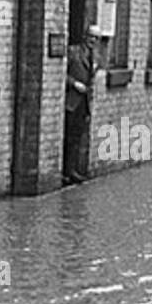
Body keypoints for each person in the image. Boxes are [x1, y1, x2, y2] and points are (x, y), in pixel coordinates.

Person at [63, 25, 101, 185]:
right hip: (71, 101)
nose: (93, 40)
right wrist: (74, 84)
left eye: (96, 38)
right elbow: (61, 73)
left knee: (78, 136)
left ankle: (72, 170)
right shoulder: (73, 52)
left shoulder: (95, 57)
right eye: (91, 36)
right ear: (85, 36)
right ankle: (65, 171)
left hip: (84, 102)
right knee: (69, 136)